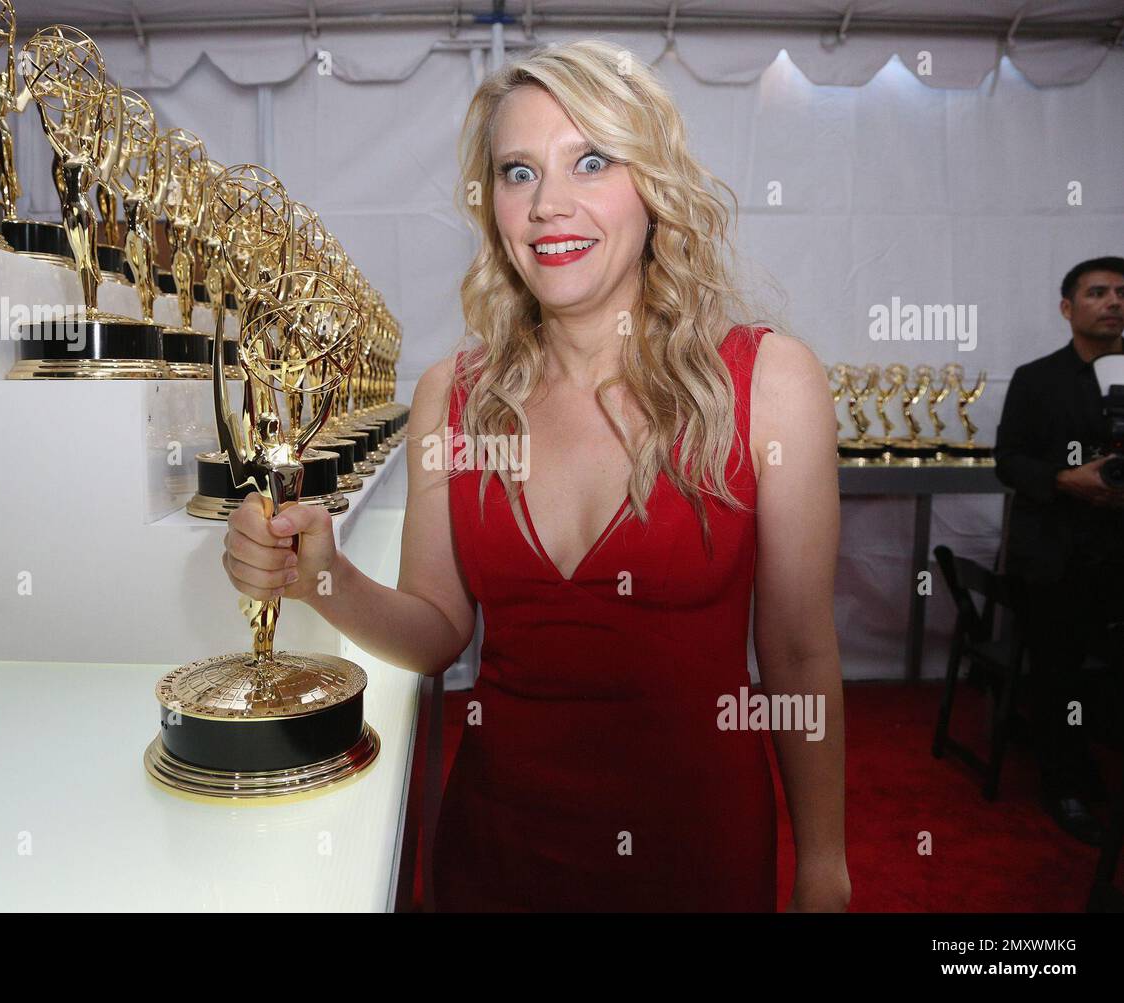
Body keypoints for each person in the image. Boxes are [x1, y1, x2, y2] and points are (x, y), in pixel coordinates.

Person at [222, 40, 848, 912]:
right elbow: (438, 631)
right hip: (500, 850)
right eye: (518, 172)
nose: (549, 204)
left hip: (694, 853)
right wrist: (319, 575)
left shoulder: (769, 383)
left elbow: (799, 650)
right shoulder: (455, 396)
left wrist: (825, 859)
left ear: (654, 185)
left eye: (591, 160)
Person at [994, 256, 1124, 846]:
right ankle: (1064, 784)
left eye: (1123, 293)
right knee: (1058, 673)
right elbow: (1009, 461)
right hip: (1056, 555)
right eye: (1098, 292)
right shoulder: (1036, 378)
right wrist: (1065, 480)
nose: (1114, 302)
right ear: (1068, 307)